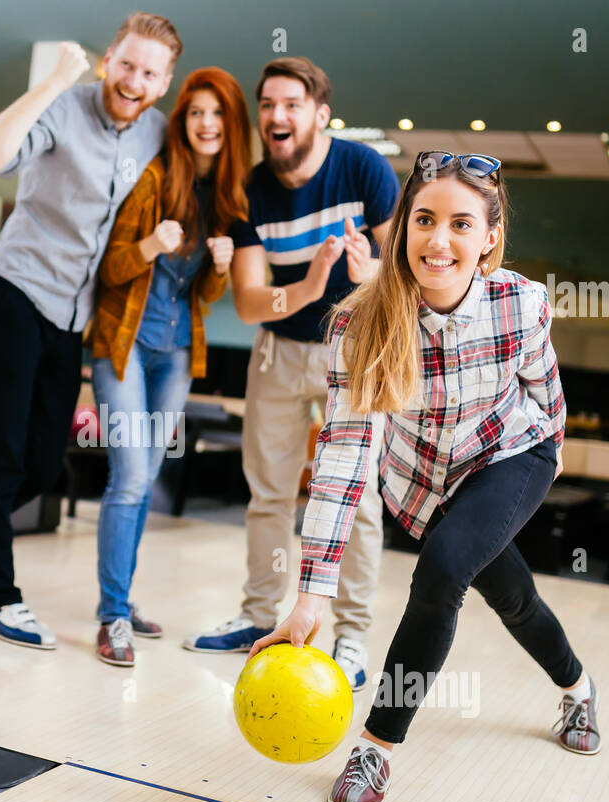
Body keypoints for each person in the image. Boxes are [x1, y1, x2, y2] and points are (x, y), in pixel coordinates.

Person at [249, 150, 600, 802]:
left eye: (462, 224)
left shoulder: (521, 305)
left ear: (490, 238)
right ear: (401, 227)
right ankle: (579, 690)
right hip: (421, 484)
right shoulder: (361, 323)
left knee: (441, 570)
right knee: (514, 596)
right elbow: (343, 459)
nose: (439, 241)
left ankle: (376, 748)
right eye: (425, 220)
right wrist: (310, 596)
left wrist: (534, 467)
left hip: (511, 457)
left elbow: (546, 400)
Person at [0, 13, 181, 649]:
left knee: (42, 466)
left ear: (164, 83)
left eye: (150, 72)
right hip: (14, 292)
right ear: (110, 59)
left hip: (74, 314)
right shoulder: (64, 107)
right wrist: (53, 81)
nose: (134, 80)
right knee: (0, 454)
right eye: (126, 64)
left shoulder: (158, 133)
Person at [183, 57, 398, 692]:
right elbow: (249, 301)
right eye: (268, 105)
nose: (277, 116)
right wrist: (306, 286)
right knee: (268, 495)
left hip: (356, 354)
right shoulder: (248, 189)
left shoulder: (363, 169)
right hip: (278, 353)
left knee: (352, 500)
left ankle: (350, 637)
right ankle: (258, 620)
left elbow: (404, 274)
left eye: (291, 105)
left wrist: (369, 276)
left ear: (319, 114)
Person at [86, 67, 251, 666]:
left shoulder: (228, 198)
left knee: (146, 477)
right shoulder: (154, 178)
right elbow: (109, 269)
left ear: (232, 126)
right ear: (182, 121)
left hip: (177, 355)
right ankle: (111, 617)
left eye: (218, 114)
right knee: (129, 478)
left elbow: (203, 297)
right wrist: (151, 246)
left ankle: (123, 602)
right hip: (124, 347)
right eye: (195, 112)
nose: (206, 124)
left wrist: (222, 266)